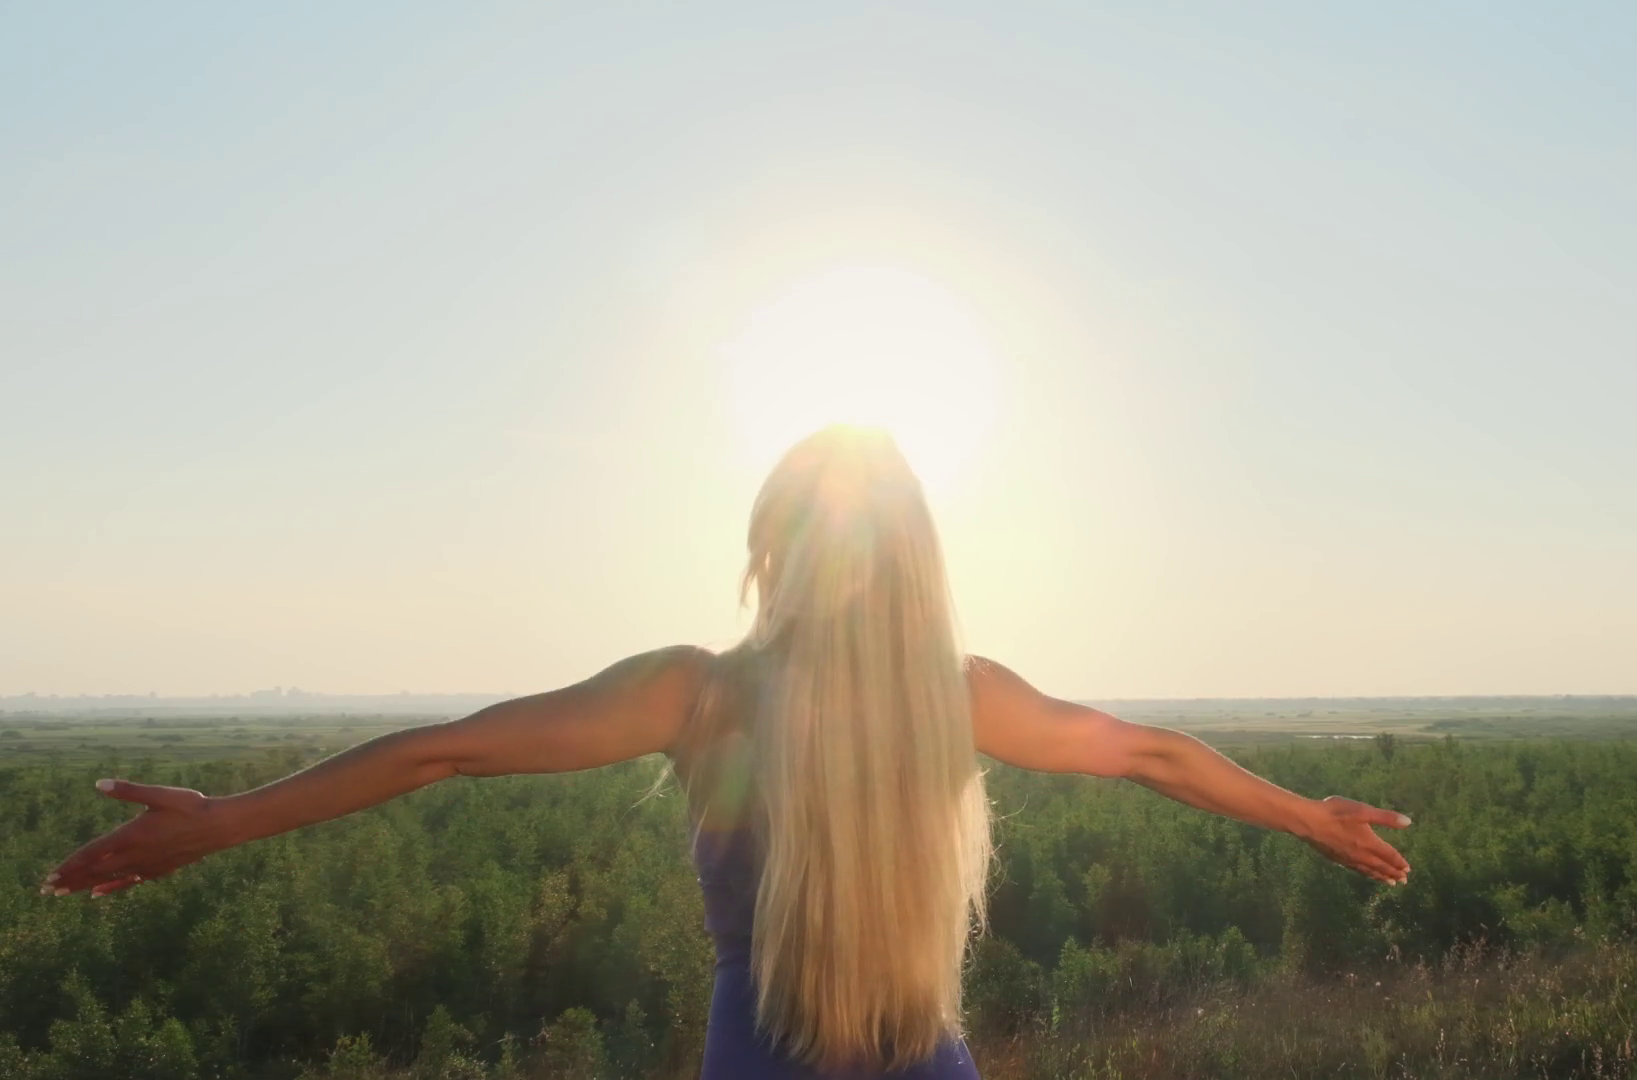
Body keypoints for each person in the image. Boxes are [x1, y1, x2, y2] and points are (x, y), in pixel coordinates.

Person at [43, 424, 1411, 1078]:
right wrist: (1306, 818)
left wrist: (226, 822)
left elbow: (440, 756)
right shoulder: (962, 697)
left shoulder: (693, 699)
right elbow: (1159, 757)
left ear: (769, 551)